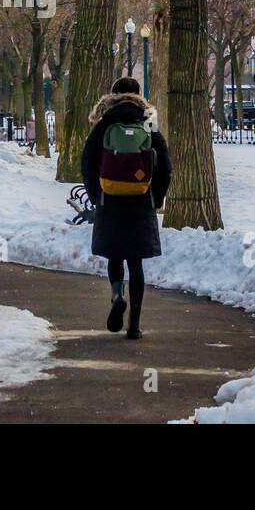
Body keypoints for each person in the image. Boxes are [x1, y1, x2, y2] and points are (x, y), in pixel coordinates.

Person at [80, 76, 171, 340]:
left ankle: (117, 295)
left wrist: (96, 195)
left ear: (113, 95)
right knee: (136, 262)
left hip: (109, 200)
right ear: (139, 95)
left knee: (115, 256)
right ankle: (134, 325)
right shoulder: (148, 123)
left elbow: (87, 163)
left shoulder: (104, 122)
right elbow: (164, 166)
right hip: (141, 201)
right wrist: (156, 198)